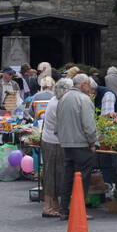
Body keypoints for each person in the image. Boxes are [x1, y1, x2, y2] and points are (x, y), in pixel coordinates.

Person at [57, 74, 99, 221]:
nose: (90, 87)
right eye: (88, 84)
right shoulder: (84, 99)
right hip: (81, 143)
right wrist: (93, 142)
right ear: (83, 85)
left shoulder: (63, 98)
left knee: (67, 176)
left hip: (66, 143)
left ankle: (63, 210)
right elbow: (89, 125)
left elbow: (58, 123)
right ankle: (78, 210)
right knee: (82, 178)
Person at [39, 79, 70, 218]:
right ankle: (47, 206)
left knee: (55, 173)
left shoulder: (54, 100)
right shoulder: (59, 104)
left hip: (50, 140)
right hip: (54, 142)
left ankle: (55, 204)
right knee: (52, 173)